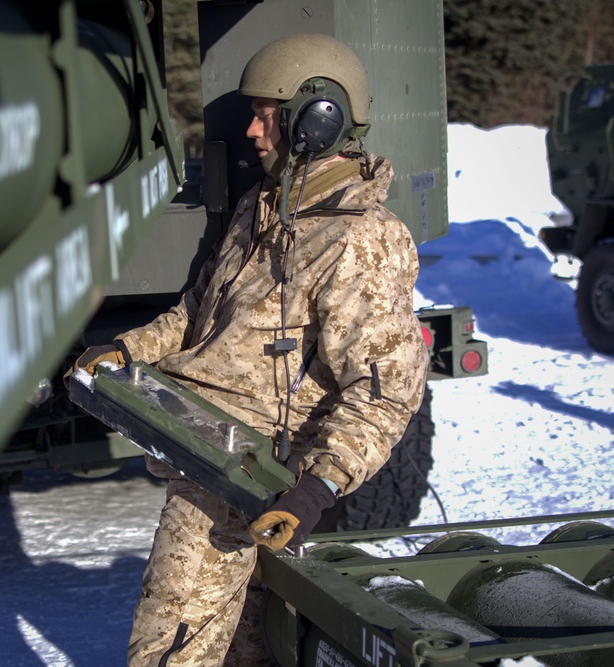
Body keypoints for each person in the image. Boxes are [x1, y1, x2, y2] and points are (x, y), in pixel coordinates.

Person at [71, 33, 428, 666]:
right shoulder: (263, 206)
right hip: (205, 447)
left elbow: (383, 394)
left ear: (318, 119)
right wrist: (128, 350)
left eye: (267, 114)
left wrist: (314, 491)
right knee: (253, 649)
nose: (254, 132)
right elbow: (198, 315)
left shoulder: (360, 240)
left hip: (259, 479)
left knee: (170, 647)